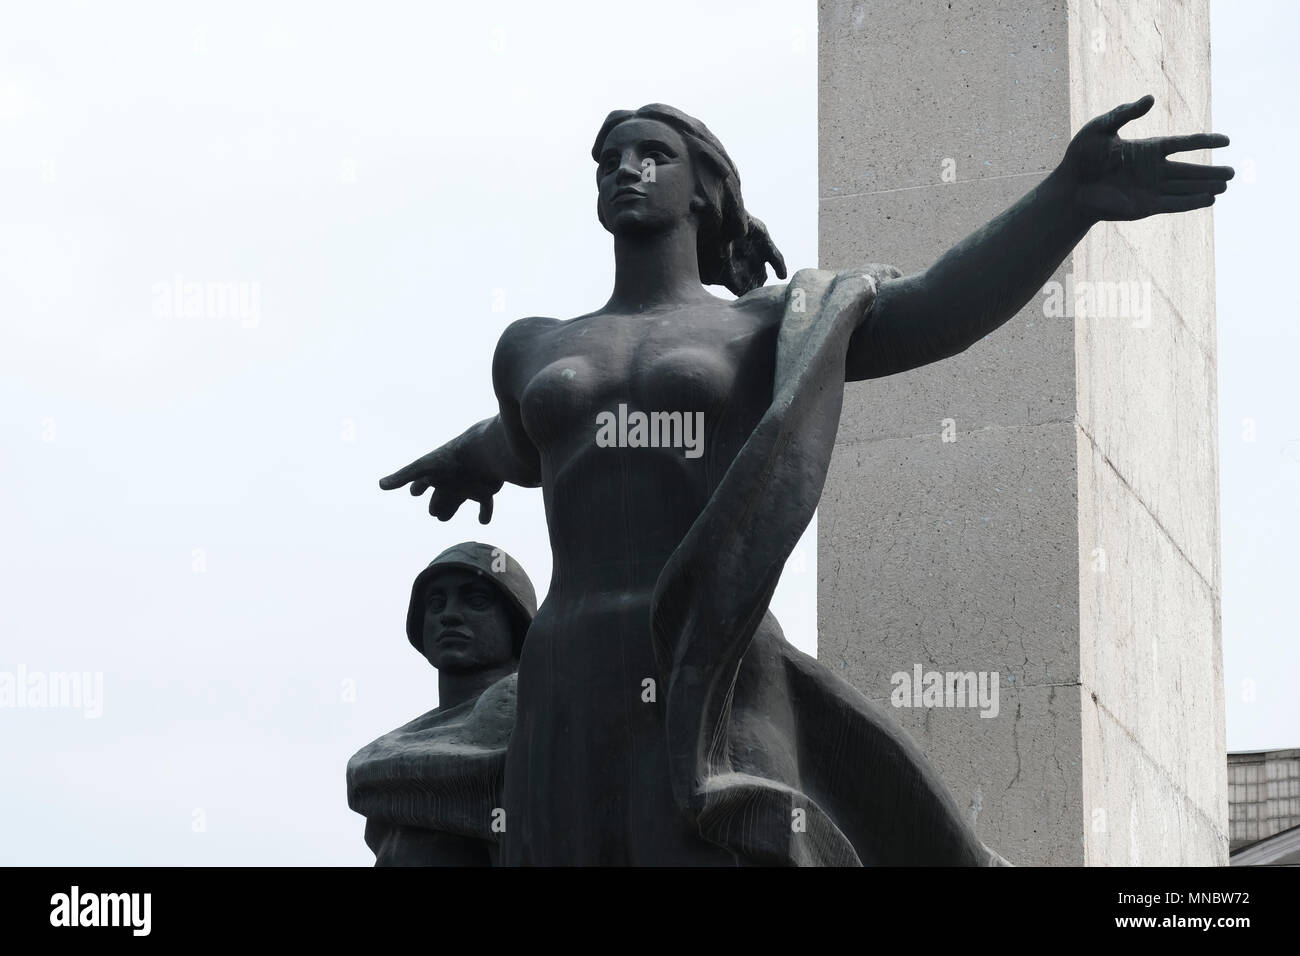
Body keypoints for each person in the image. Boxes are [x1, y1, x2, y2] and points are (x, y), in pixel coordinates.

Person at [379, 99, 1232, 865]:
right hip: (568, 675)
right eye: (608, 162)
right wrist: (467, 454)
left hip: (718, 667)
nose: (624, 172)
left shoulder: (768, 325)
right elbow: (526, 439)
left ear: (706, 190)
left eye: (651, 155)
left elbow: (939, 306)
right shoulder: (532, 345)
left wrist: (1066, 201)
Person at [346, 542, 537, 866]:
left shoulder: (533, 708)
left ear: (515, 621)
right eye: (436, 603)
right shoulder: (396, 745)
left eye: (476, 600)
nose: (449, 614)